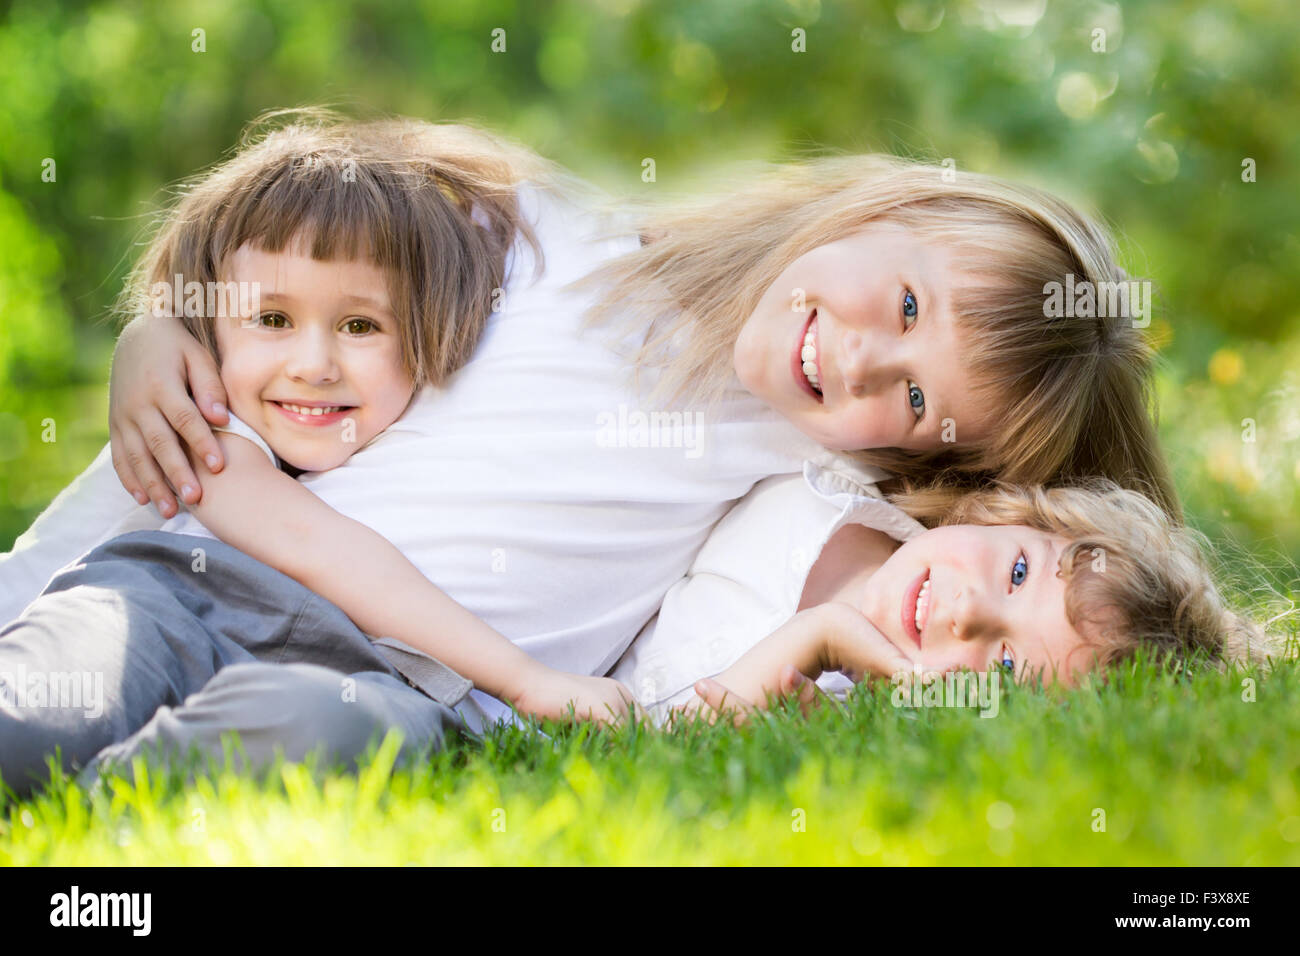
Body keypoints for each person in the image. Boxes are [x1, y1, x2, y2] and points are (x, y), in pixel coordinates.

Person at [1, 111, 1178, 793]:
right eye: (908, 305)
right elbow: (274, 245)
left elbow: (1007, 582)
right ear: (889, 208)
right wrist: (160, 320)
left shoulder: (796, 475)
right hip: (198, 580)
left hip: (406, 690)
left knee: (323, 735)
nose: (863, 361)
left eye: (915, 399)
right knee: (61, 695)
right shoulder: (532, 220)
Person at [608, 475, 1279, 726]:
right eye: (1018, 573)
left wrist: (816, 635)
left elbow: (646, 751)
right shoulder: (820, 486)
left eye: (1009, 667)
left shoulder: (838, 720)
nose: (967, 614)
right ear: (1014, 515)